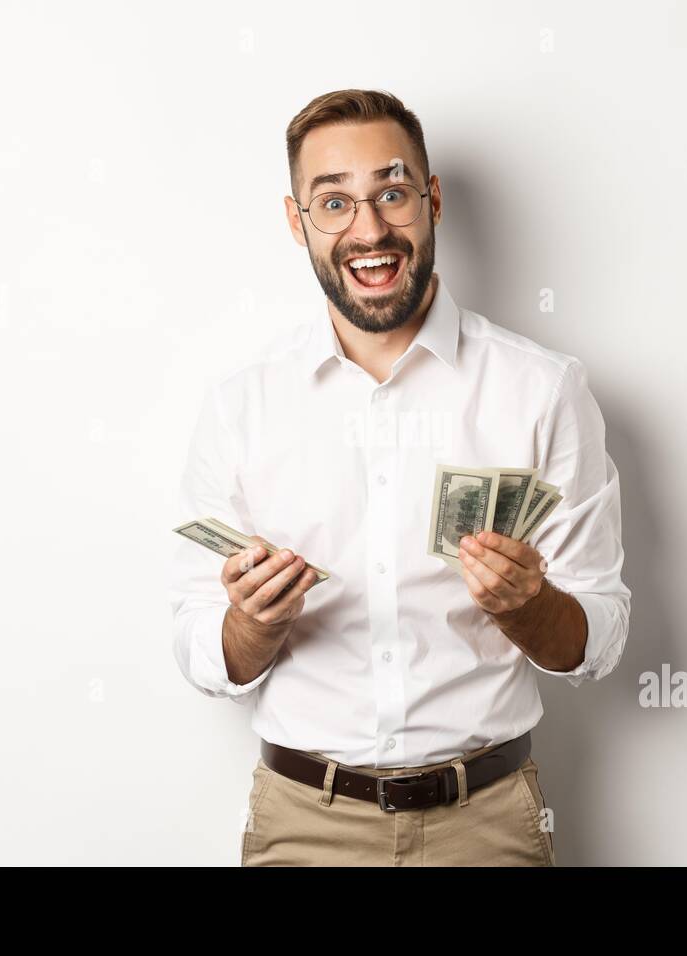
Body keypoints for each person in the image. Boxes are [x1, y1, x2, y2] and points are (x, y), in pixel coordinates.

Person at [168, 89, 632, 866]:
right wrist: (252, 625)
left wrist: (532, 608)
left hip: (488, 824)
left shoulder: (543, 390)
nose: (370, 228)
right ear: (297, 223)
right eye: (334, 202)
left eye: (391, 192)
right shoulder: (242, 404)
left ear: (432, 200)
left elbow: (601, 635)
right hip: (300, 825)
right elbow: (195, 642)